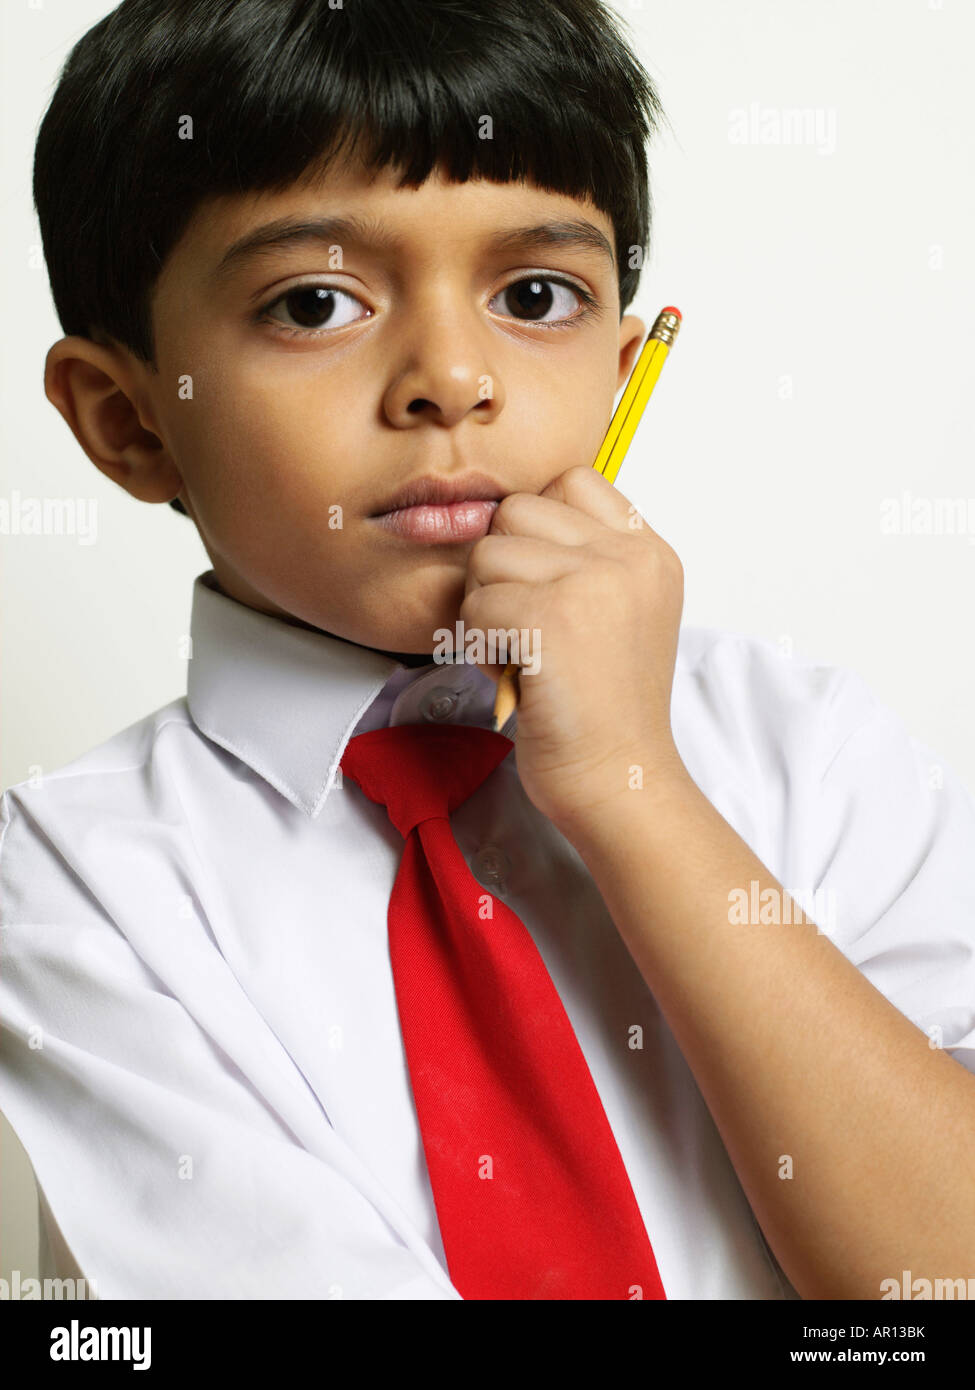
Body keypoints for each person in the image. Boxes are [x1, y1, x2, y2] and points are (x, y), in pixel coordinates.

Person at [2, 0, 974, 1301]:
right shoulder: (67, 889)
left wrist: (639, 790)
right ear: (129, 422)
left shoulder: (814, 752)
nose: (452, 377)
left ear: (626, 374)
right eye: (313, 301)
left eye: (534, 294)